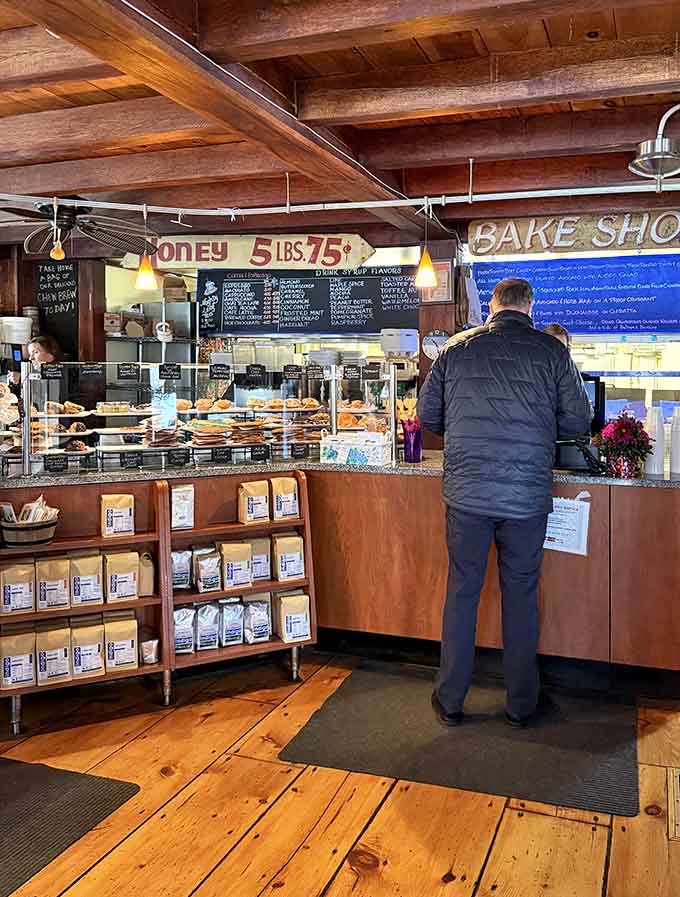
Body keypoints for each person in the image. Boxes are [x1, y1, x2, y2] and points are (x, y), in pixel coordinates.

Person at [417, 277, 592, 728]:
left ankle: (451, 701)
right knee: (520, 595)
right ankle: (520, 705)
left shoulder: (455, 349)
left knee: (461, 592)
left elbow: (428, 416)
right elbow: (578, 419)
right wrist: (536, 424)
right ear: (530, 308)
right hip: (526, 498)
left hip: (467, 496)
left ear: (493, 307)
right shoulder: (552, 352)